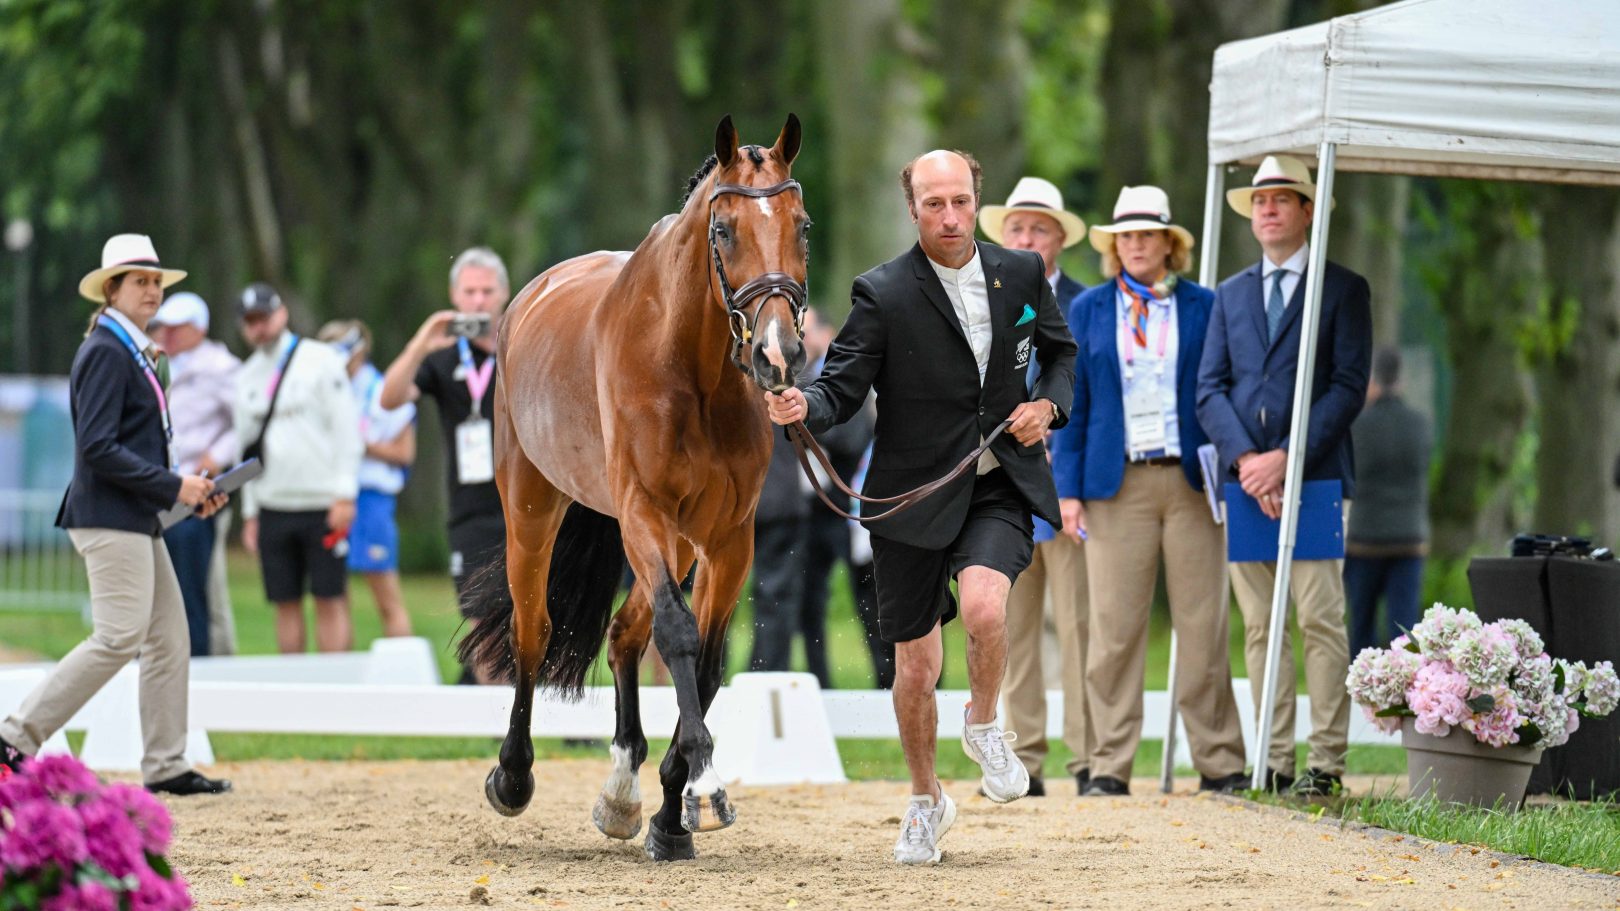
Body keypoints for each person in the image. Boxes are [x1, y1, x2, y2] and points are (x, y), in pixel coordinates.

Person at [765, 150, 1077, 865]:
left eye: (960, 201)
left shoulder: (1022, 274)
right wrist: (800, 402)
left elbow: (1061, 353)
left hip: (998, 477)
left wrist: (1048, 404)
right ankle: (925, 798)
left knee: (987, 609)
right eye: (933, 203)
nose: (949, 216)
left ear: (978, 200)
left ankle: (985, 722)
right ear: (913, 208)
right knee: (914, 668)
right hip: (910, 495)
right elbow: (839, 388)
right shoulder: (882, 292)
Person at [0, 234, 231, 795]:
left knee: (170, 637)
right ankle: (16, 737)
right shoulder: (106, 351)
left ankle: (166, 764)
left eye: (156, 282)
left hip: (134, 515)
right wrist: (176, 484)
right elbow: (99, 447)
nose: (152, 291)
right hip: (107, 517)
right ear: (112, 290)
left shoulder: (130, 348)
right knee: (117, 637)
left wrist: (186, 491)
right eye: (140, 282)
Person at [1053, 185, 1247, 797]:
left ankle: (1219, 761)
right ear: (1114, 246)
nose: (1136, 245)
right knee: (1112, 629)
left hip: (1192, 481)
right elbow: (1074, 404)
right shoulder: (1087, 309)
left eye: (1148, 234)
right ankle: (1109, 764)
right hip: (1116, 484)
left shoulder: (1204, 306)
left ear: (1169, 243)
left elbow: (1222, 387)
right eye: (1125, 236)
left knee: (1203, 625)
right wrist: (1068, 490)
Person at [1196, 155, 1372, 795]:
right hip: (1246, 485)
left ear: (1307, 211)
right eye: (1259, 200)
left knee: (1321, 618)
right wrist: (1248, 461)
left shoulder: (1343, 289)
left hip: (1318, 479)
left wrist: (1288, 460)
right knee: (1262, 627)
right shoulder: (1231, 294)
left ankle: (1325, 766)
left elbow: (1349, 387)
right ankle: (1275, 764)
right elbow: (1209, 388)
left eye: (1281, 198)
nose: (1266, 208)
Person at [976, 175, 1093, 796]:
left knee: (1078, 628)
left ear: (1059, 240)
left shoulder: (1087, 305)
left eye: (1038, 229)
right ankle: (1027, 760)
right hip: (1003, 490)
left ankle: (1088, 759)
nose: (1026, 237)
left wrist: (1071, 487)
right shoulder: (983, 295)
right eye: (1017, 227)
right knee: (1007, 627)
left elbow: (1089, 402)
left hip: (1070, 488)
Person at [378, 247, 509, 684]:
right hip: (469, 508)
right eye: (469, 292)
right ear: (454, 296)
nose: (478, 301)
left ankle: (540, 712)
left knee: (533, 616)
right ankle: (495, 721)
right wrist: (421, 341)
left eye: (487, 291)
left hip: (525, 502)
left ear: (503, 294)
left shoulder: (522, 344)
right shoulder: (442, 357)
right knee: (480, 618)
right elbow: (389, 398)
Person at [234, 283, 363, 654]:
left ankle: (334, 692)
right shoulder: (245, 377)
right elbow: (246, 454)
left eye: (265, 317)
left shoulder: (321, 360)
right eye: (250, 322)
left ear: (282, 314)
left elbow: (346, 431)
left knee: (329, 598)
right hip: (273, 504)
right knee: (285, 602)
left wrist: (345, 493)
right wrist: (250, 512)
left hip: (323, 502)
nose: (260, 328)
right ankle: (295, 691)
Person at [749, 309, 874, 687]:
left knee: (805, 601)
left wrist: (813, 411)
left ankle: (809, 680)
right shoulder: (781, 373)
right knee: (778, 598)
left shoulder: (826, 376)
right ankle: (769, 681)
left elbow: (852, 434)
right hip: (784, 500)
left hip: (828, 507)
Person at [149, 292, 241, 657]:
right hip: (161, 485)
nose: (168, 333)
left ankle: (199, 666)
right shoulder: (159, 362)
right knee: (158, 590)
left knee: (192, 589)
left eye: (178, 327)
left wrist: (216, 456)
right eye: (165, 326)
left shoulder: (222, 367)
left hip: (195, 491)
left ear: (199, 328)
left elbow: (244, 423)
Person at [318, 319, 416, 639]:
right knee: (334, 598)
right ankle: (341, 680)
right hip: (333, 498)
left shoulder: (382, 391)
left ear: (358, 354)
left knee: (386, 597)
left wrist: (359, 446)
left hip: (372, 500)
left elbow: (404, 453)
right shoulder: (325, 389)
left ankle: (399, 679)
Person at [1344, 347, 1432, 658]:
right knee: (1405, 628)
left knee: (1361, 625)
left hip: (1364, 539)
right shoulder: (1421, 425)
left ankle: (1365, 692)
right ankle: (1406, 697)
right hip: (1409, 539)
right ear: (1400, 380)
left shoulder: (1357, 427)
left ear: (1373, 382)